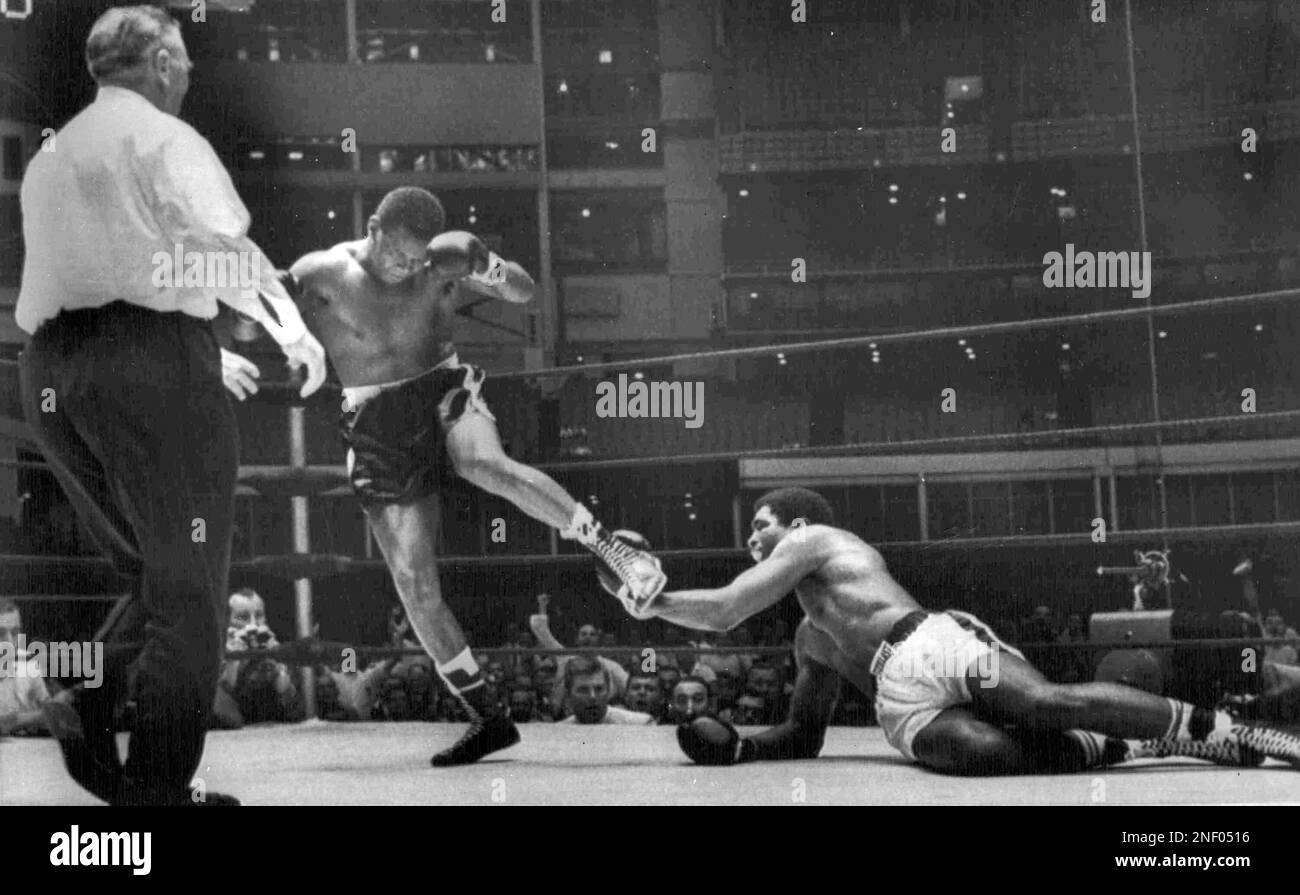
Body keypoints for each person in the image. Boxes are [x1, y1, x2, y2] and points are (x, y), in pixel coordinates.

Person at [16, 6, 326, 806]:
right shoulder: (165, 139)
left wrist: (189, 344)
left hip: (52, 372)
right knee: (191, 599)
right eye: (181, 57)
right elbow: (224, 255)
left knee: (154, 576)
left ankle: (79, 695)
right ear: (156, 60)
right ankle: (158, 792)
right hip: (150, 368)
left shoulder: (55, 154)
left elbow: (103, 273)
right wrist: (293, 333)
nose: (189, 72)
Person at [257, 186, 664, 764]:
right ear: (373, 228)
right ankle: (487, 716)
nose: (405, 268)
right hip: (374, 423)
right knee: (415, 585)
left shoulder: (442, 263)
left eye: (415, 259)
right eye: (396, 254)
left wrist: (488, 267)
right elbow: (260, 304)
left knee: (483, 462)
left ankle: (611, 550)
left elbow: (525, 292)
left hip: (442, 388)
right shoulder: (322, 271)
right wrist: (282, 339)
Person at [605, 487, 1300, 772]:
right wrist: (741, 751)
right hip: (898, 700)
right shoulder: (811, 635)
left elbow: (726, 609)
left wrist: (652, 599)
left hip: (927, 640)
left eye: (762, 522)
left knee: (1044, 703)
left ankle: (1223, 731)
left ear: (799, 524)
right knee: (992, 757)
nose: (752, 534)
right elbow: (804, 734)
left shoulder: (817, 542)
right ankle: (1110, 742)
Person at [0, 600, 55, 736]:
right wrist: (31, 717)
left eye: (15, 632)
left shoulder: (28, 662)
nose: (10, 641)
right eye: (0, 633)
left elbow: (50, 713)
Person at [558, 656, 654, 725]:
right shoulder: (559, 731)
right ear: (569, 694)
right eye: (583, 690)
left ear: (608, 690)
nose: (592, 696)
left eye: (599, 689)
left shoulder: (640, 724)